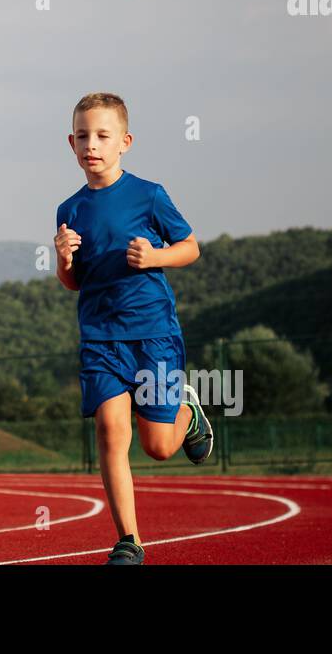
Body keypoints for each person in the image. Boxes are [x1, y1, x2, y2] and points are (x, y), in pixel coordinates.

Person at [54, 92, 212, 565]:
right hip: (101, 339)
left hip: (153, 335)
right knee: (109, 429)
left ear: (124, 142)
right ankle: (129, 541)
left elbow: (190, 247)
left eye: (102, 136)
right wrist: (62, 258)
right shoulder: (69, 209)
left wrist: (157, 256)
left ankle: (188, 410)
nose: (92, 145)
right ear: (71, 142)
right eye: (83, 136)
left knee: (159, 447)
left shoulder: (149, 194)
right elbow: (72, 282)